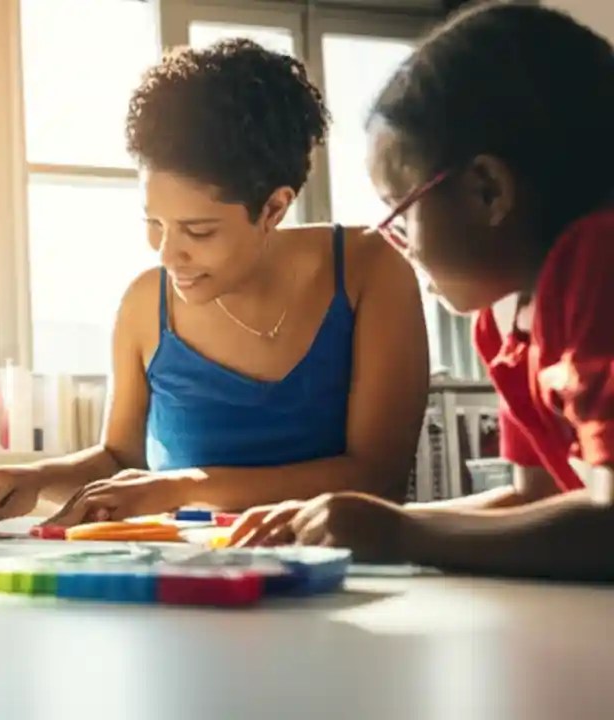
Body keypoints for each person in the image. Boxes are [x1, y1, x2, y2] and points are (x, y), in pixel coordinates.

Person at [0, 39, 429, 537]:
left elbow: (376, 479)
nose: (168, 254)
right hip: (186, 584)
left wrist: (181, 487)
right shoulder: (146, 304)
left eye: (198, 231)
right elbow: (120, 458)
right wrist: (35, 477)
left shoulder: (370, 272)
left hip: (340, 583)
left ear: (274, 207)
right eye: (154, 223)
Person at [229, 3, 614, 580]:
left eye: (399, 212)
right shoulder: (504, 322)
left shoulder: (598, 258)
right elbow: (533, 501)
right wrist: (348, 519)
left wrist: (402, 531)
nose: (398, 243)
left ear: (488, 191)